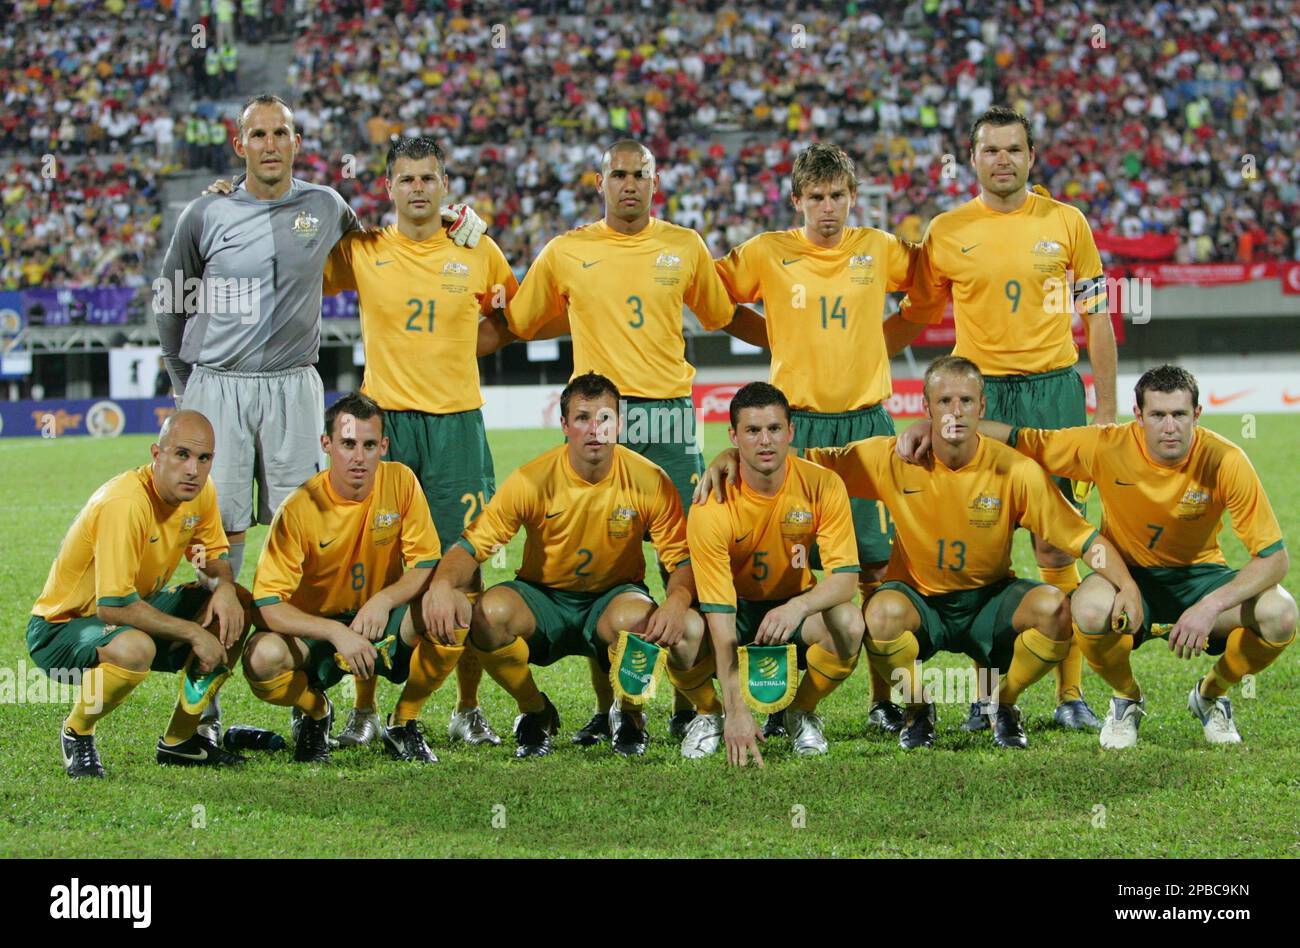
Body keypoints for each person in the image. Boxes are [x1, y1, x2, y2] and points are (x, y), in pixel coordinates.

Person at [157, 94, 482, 744]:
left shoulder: (326, 206)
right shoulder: (205, 212)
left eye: (280, 133)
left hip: (293, 388)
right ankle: (205, 709)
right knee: (216, 552)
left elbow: (388, 242)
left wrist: (455, 222)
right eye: (258, 134)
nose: (270, 144)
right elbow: (172, 299)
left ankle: (314, 692)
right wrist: (183, 385)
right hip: (219, 386)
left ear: (296, 142)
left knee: (315, 536)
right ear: (239, 144)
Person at [699, 357, 1139, 749]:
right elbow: (807, 458)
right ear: (925, 407)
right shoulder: (891, 458)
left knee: (1055, 609)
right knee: (878, 613)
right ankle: (917, 706)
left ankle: (1004, 703)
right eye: (944, 401)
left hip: (988, 599)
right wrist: (732, 454)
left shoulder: (1015, 470)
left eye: (966, 401)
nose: (955, 412)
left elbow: (1085, 541)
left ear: (982, 407)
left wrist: (1126, 585)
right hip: (919, 601)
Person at [480, 139, 765, 743]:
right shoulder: (567, 250)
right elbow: (520, 319)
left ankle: (693, 701)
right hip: (602, 419)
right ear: (600, 182)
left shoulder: (685, 246)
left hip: (668, 420)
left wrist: (790, 337)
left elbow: (720, 314)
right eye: (619, 174)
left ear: (655, 183)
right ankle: (613, 707)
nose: (629, 184)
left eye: (640, 174)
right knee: (603, 567)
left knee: (688, 560)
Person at [895, 106, 1120, 731]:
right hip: (980, 397)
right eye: (990, 150)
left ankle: (1070, 695)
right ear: (972, 160)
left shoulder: (1067, 222)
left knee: (1056, 540)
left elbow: (1098, 316)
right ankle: (985, 694)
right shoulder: (946, 231)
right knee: (981, 541)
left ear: (1031, 156)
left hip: (1055, 394)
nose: (1003, 160)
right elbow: (916, 314)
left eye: (1014, 149)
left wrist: (1105, 410)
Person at [932, 365, 1294, 747]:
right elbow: (1021, 439)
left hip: (1200, 578)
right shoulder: (1106, 445)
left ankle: (1210, 694)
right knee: (1089, 609)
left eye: (1179, 414)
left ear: (1197, 414)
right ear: (1138, 415)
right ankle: (1127, 698)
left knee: (1280, 614)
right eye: (1157, 415)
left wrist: (1211, 605)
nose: (1169, 427)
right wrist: (939, 428)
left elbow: (1275, 559)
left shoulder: (1225, 459)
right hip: (1126, 577)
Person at [713, 141, 919, 737]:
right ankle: (786, 702)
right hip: (796, 428)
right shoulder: (766, 252)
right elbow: (713, 300)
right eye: (816, 197)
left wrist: (882, 338)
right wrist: (776, 334)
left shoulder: (879, 248)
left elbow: (931, 290)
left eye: (838, 196)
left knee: (876, 565)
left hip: (866, 426)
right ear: (796, 200)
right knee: (795, 565)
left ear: (853, 197)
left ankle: (883, 700)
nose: (828, 208)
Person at [321, 136, 516, 749]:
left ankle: (467, 707)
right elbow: (298, 260)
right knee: (376, 566)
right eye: (405, 179)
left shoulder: (478, 250)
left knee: (466, 565)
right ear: (388, 188)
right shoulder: (363, 250)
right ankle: (364, 709)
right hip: (386, 428)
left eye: (428, 178)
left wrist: (455, 352)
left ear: (445, 185)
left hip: (458, 426)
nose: (417, 189)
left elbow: (510, 320)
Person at [425, 373, 719, 758]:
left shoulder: (650, 479)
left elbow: (679, 558)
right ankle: (535, 710)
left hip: (613, 598)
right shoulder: (532, 479)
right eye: (582, 418)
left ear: (619, 423)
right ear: (564, 425)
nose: (594, 429)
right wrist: (440, 585)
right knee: (487, 615)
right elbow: (471, 546)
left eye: (604, 418)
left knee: (639, 621)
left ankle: (628, 714)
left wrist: (678, 601)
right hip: (543, 598)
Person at [27, 411, 252, 778]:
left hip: (134, 607)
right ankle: (77, 732)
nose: (193, 469)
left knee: (237, 604)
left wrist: (224, 586)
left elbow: (209, 554)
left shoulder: (199, 493)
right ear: (157, 454)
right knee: (135, 648)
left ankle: (180, 740)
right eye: (182, 454)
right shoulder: (125, 503)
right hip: (62, 628)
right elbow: (114, 608)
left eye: (204, 458)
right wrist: (194, 633)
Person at [242, 393, 447, 764]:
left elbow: (425, 562)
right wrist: (337, 632)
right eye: (348, 444)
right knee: (262, 658)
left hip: (379, 619)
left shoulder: (400, 481)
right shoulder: (299, 508)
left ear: (383, 446)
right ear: (327, 444)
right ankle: (316, 711)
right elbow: (268, 604)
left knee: (451, 609)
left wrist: (384, 600)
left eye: (369, 445)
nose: (359, 457)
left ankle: (403, 722)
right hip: (318, 630)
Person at [687, 382, 865, 766]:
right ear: (733, 436)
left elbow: (846, 579)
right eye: (752, 430)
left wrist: (797, 607)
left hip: (794, 611)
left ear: (791, 432)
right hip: (737, 611)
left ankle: (799, 712)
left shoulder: (822, 483)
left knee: (849, 623)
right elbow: (720, 618)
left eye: (774, 428)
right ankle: (711, 714)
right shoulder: (711, 504)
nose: (765, 440)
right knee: (685, 632)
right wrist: (737, 708)